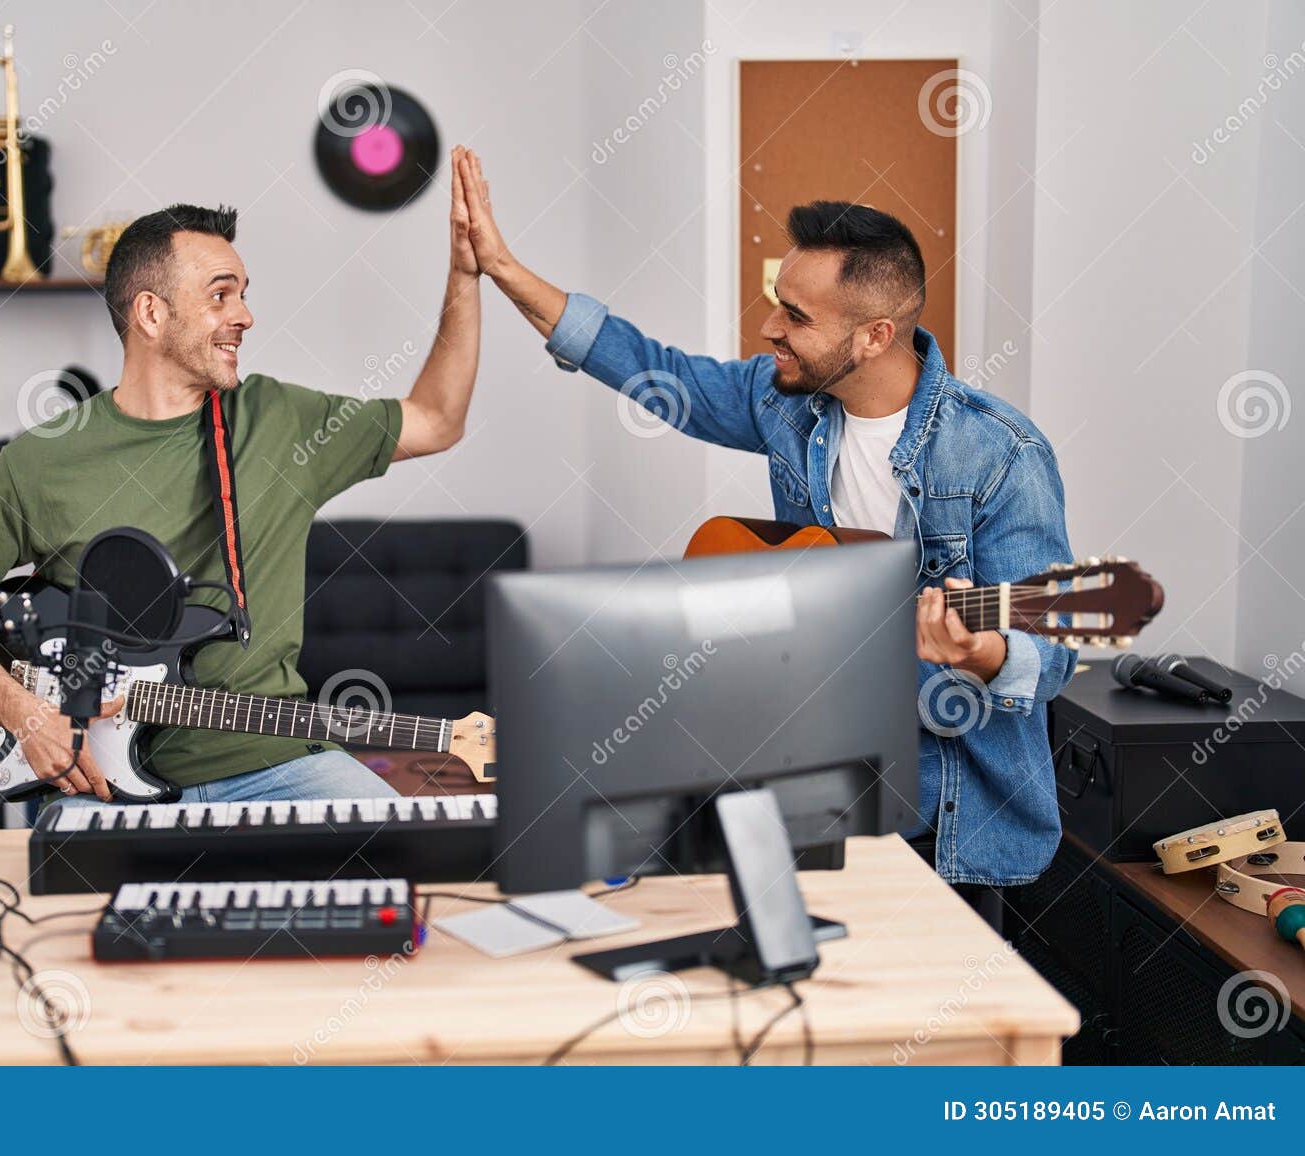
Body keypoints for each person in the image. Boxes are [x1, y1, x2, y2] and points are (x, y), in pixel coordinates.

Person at [453, 147, 1075, 925]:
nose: (770, 328)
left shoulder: (1000, 455)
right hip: (810, 786)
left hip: (943, 814)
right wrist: (502, 267)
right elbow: (650, 368)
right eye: (778, 303)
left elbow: (1049, 656)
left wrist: (982, 651)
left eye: (797, 317)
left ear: (876, 335)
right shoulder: (785, 402)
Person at [0, 148, 484, 811]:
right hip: (104, 786)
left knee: (400, 856)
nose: (245, 315)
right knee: (64, 905)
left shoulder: (280, 420)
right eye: (220, 295)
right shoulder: (41, 461)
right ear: (151, 315)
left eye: (243, 293)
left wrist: (465, 274)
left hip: (280, 762)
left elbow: (438, 419)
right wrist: (24, 715)